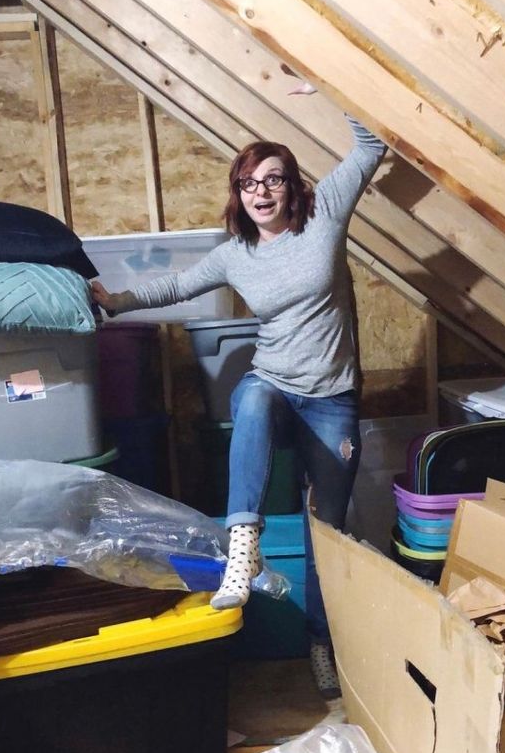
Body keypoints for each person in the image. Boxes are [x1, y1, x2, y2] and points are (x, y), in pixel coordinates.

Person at [92, 93, 386, 699]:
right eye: (250, 182)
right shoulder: (235, 255)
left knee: (325, 532)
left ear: (294, 187)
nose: (262, 191)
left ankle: (320, 645)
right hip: (275, 382)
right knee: (249, 399)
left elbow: (371, 144)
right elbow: (175, 284)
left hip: (332, 400)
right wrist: (115, 300)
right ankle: (243, 547)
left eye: (274, 179)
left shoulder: (325, 213)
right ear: (239, 193)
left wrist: (316, 77)